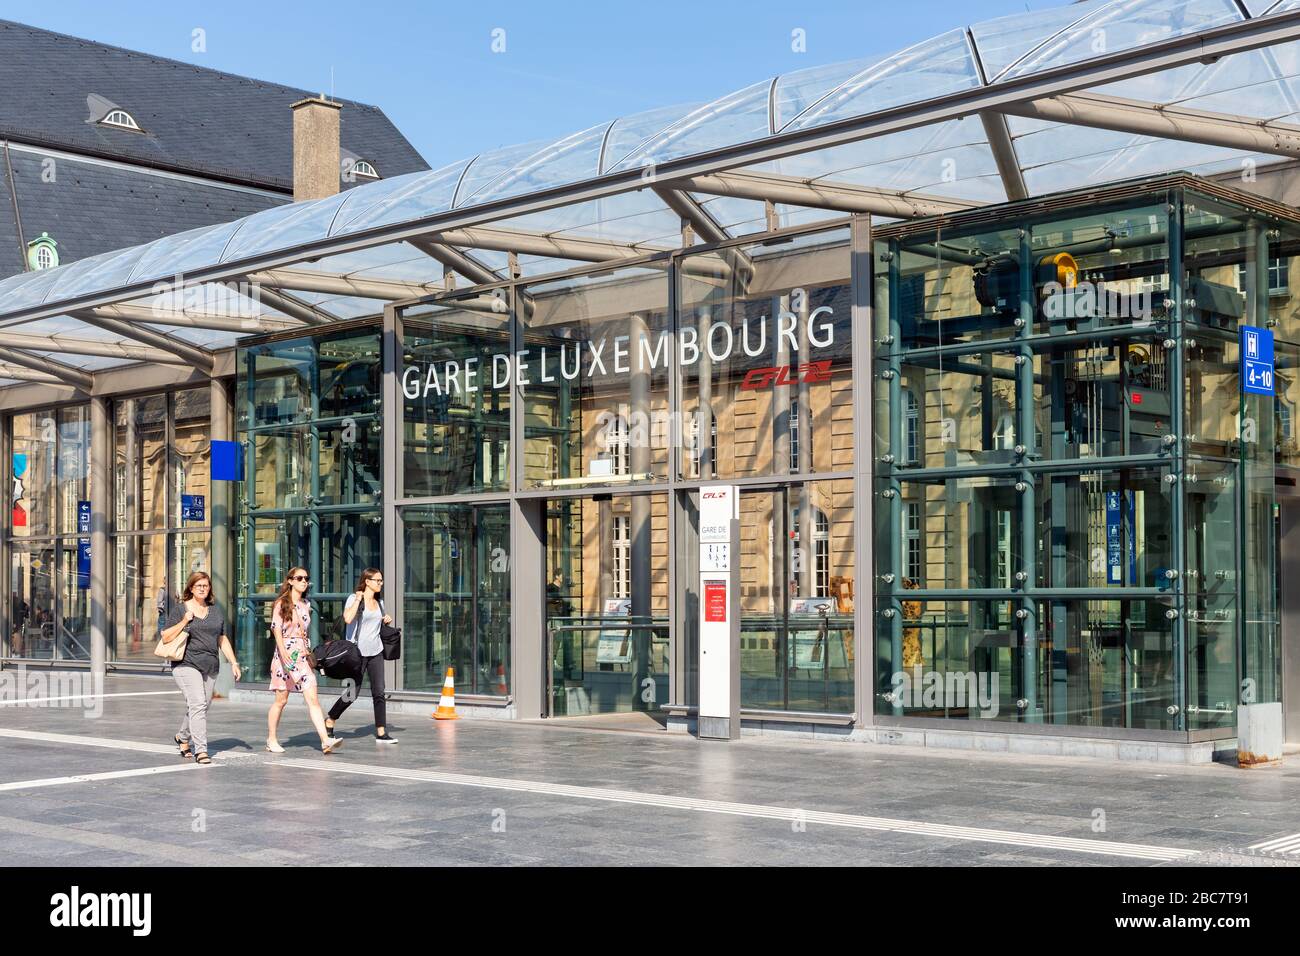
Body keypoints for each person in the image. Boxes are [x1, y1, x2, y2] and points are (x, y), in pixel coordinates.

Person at [158, 572, 241, 765]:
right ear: (191, 588)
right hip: (186, 664)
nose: (203, 588)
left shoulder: (215, 611)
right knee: (197, 704)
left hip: (210, 665)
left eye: (206, 585)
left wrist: (234, 662)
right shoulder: (181, 610)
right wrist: (185, 620)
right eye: (199, 586)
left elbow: (222, 639)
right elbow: (166, 636)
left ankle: (182, 737)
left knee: (202, 706)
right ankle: (201, 750)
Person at [266, 567, 340, 755]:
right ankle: (271, 739)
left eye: (306, 578)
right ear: (290, 581)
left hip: (302, 657)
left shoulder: (306, 604)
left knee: (313, 699)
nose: (304, 581)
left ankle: (325, 740)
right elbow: (277, 632)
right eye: (299, 578)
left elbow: (304, 633)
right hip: (285, 657)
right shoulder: (281, 604)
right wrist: (284, 656)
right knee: (281, 700)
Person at [325, 568, 397, 744]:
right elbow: (348, 619)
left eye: (381, 580)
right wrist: (358, 599)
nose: (380, 583)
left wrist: (386, 620)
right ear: (367, 581)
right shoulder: (354, 598)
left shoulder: (380, 603)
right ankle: (330, 719)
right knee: (352, 694)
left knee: (379, 692)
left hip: (376, 652)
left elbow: (376, 627)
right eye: (377, 580)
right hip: (357, 655)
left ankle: (381, 731)